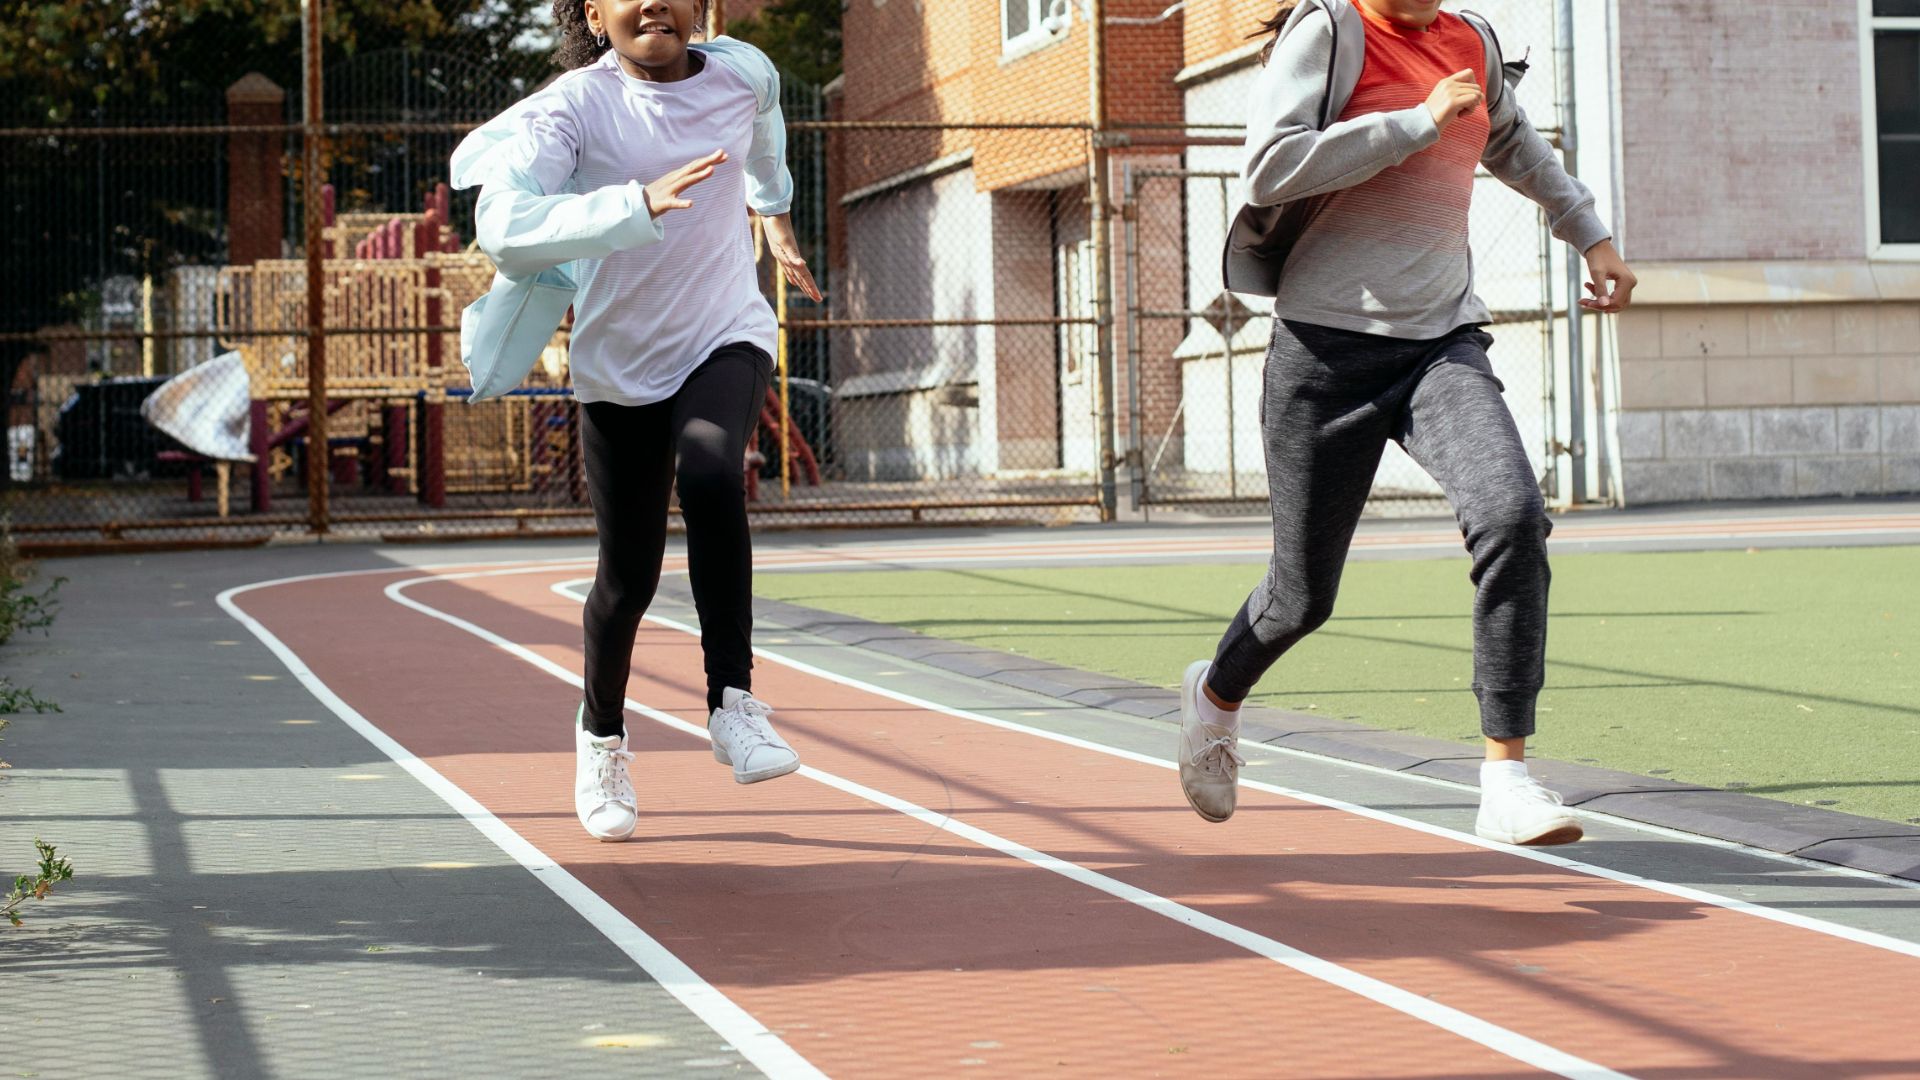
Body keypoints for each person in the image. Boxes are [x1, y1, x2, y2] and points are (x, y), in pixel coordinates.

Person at [1184, 0, 1636, 845]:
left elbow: (1513, 143)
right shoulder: (1328, 33)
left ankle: (1507, 777)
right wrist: (1413, 124)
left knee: (1511, 514)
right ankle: (1214, 698)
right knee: (1300, 598)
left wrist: (1590, 234)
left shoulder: (1471, 41)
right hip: (1323, 350)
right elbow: (1268, 170)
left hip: (1441, 344)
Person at [453, 0, 824, 842]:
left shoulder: (742, 74)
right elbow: (502, 227)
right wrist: (633, 204)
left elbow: (765, 141)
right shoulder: (572, 107)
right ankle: (602, 736)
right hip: (619, 367)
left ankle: (733, 701)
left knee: (710, 469)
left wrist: (776, 217)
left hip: (724, 328)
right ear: (595, 11)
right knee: (627, 582)